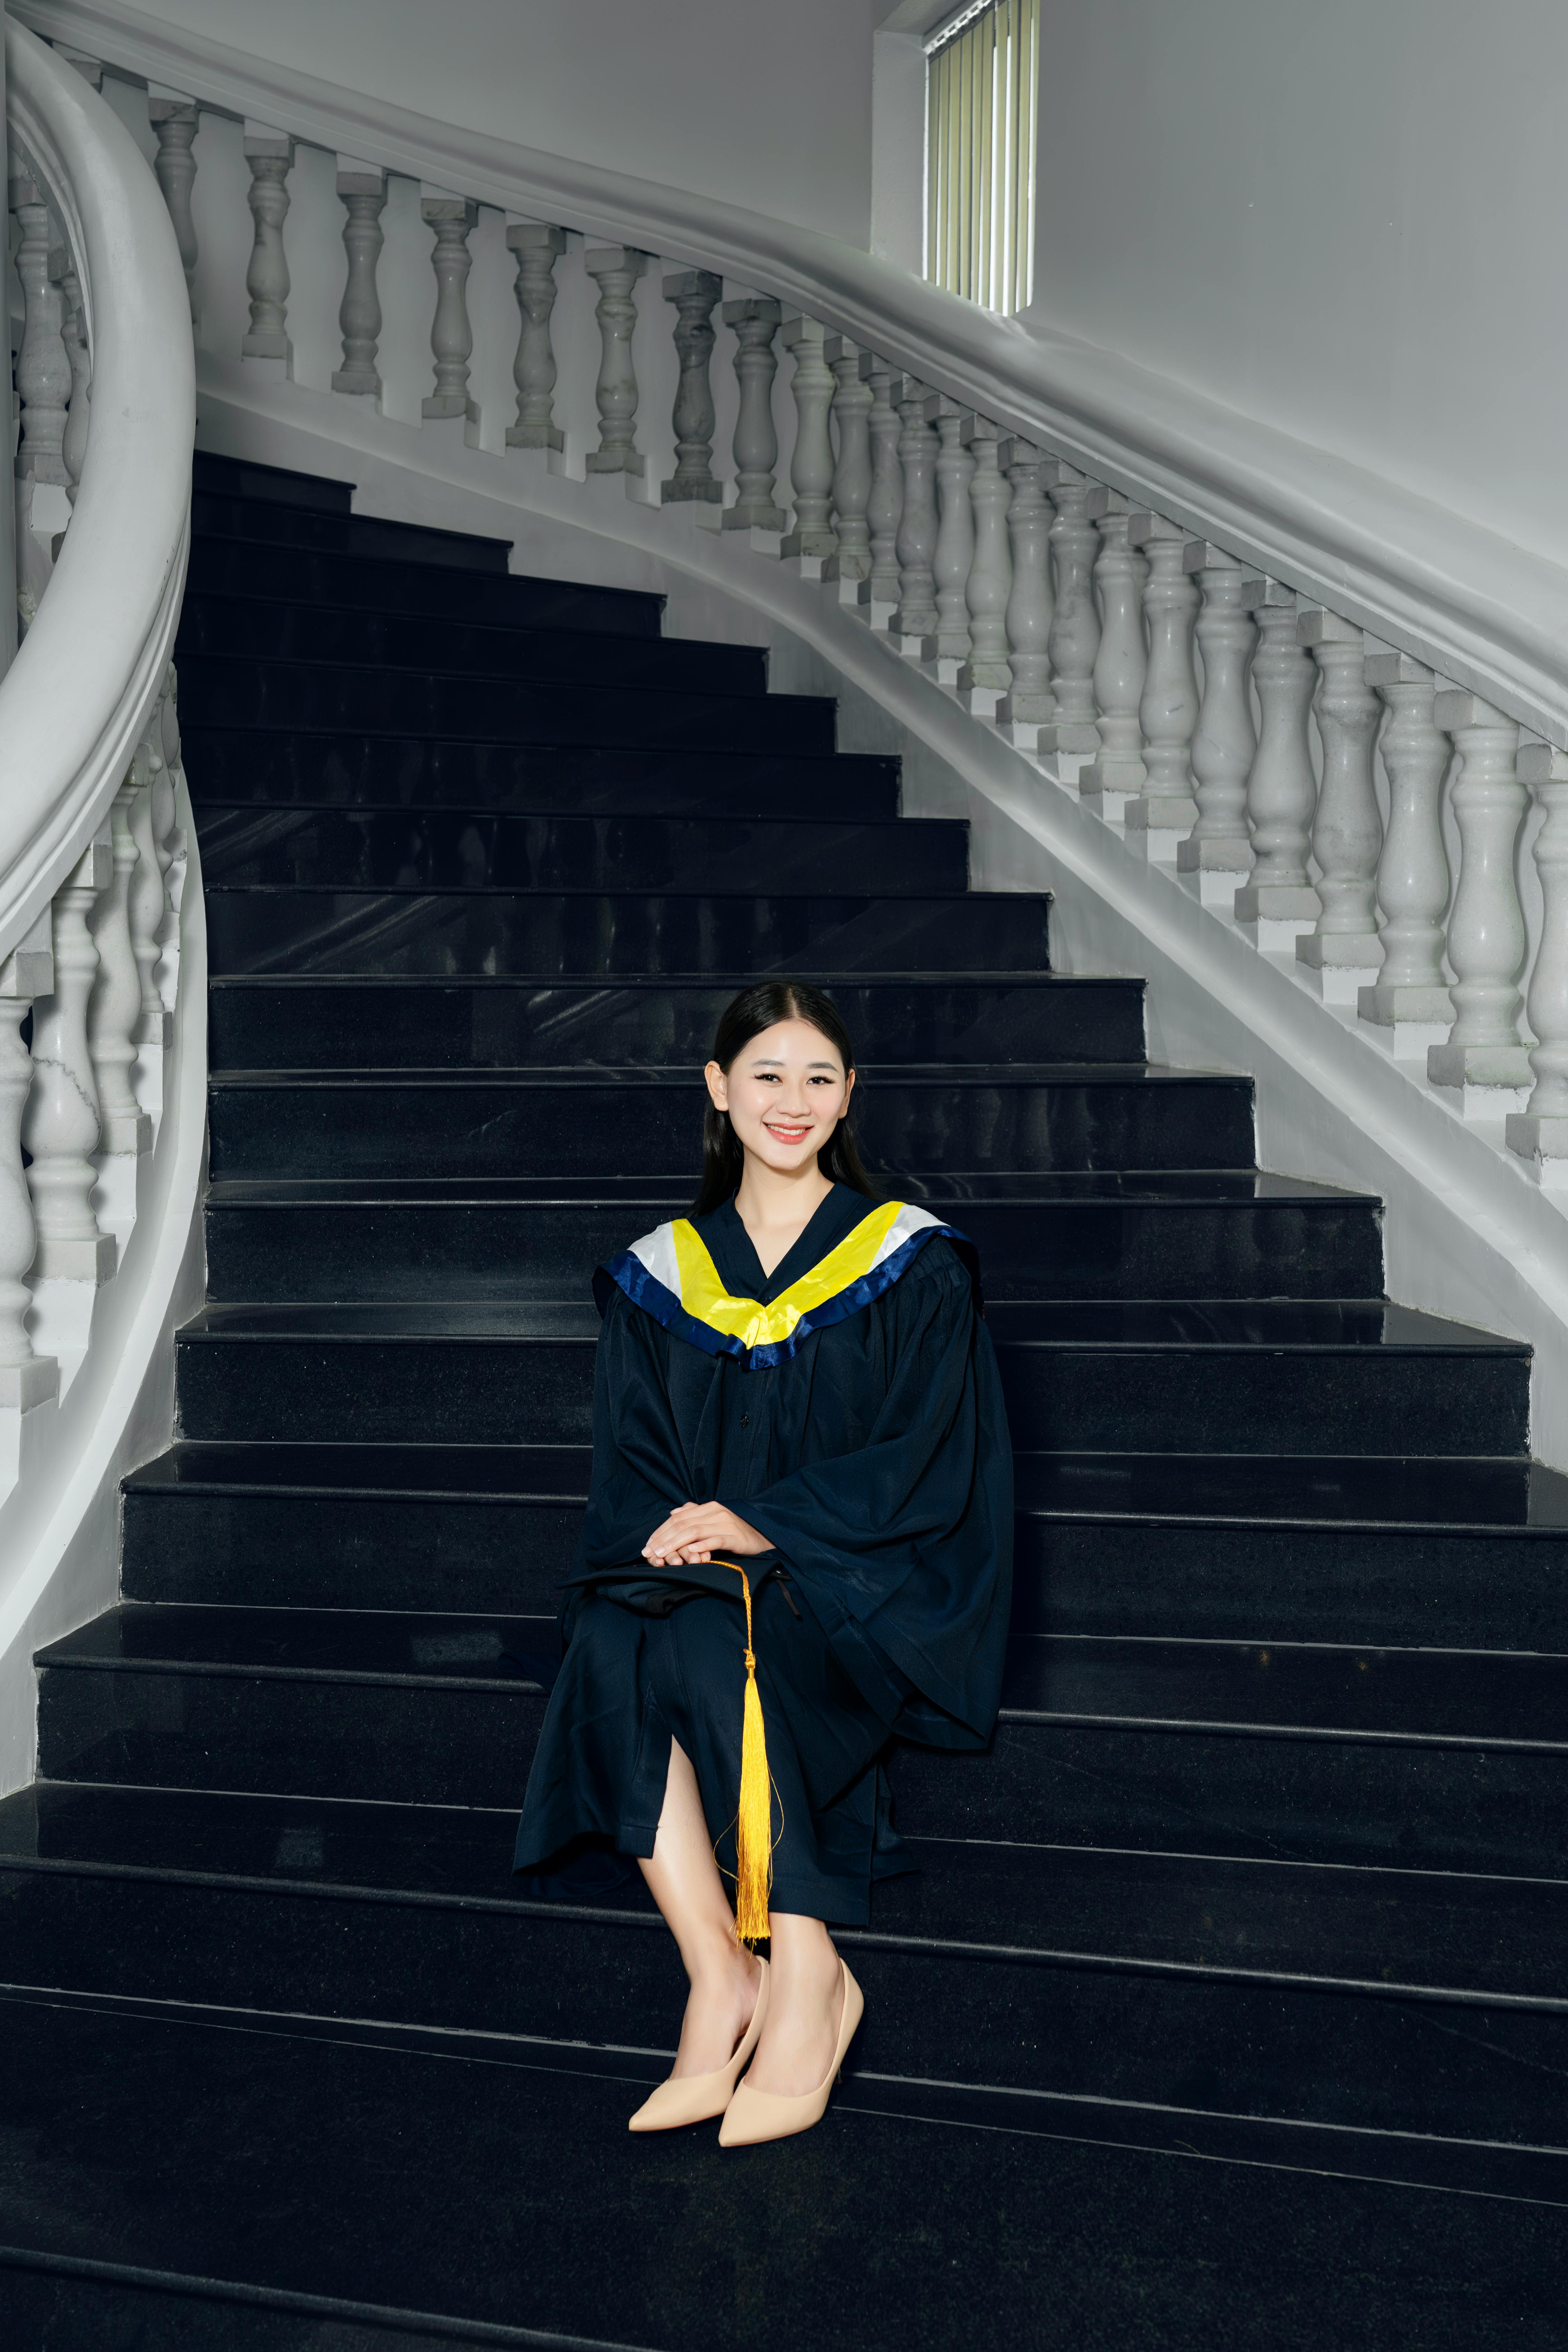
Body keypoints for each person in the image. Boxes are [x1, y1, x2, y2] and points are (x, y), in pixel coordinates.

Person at [513, 979, 1013, 2146]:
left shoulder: (912, 1262)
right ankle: (719, 1973)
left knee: (697, 1624)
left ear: (849, 1099)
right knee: (616, 1618)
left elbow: (929, 1459)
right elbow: (631, 1454)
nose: (791, 1102)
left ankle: (804, 1971)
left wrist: (761, 1520)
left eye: (819, 1078)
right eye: (768, 1075)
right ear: (718, 1089)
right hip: (718, 1560)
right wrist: (671, 1527)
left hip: (869, 1569)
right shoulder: (661, 1273)